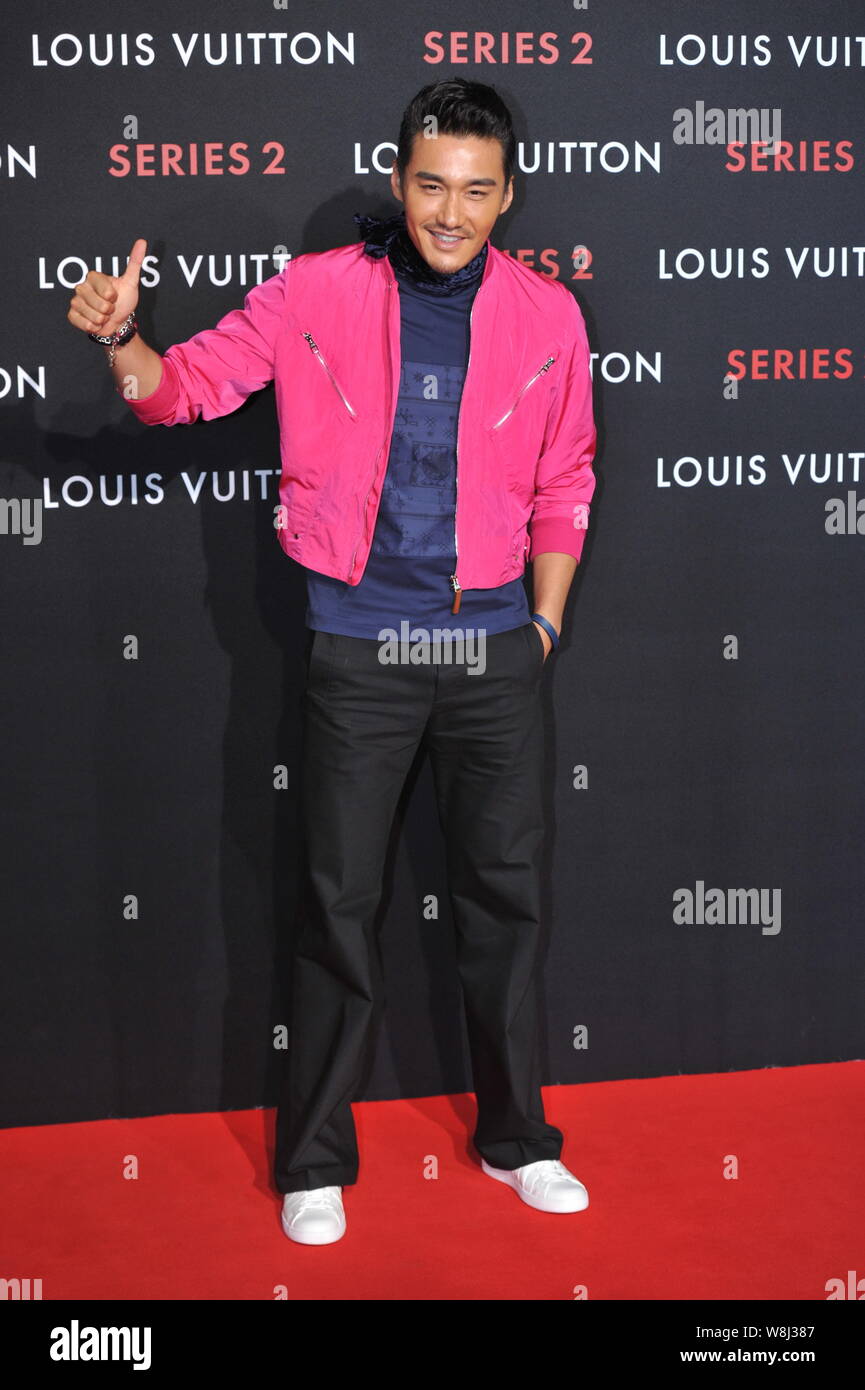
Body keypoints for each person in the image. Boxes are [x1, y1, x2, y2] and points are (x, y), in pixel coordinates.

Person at [67, 77, 597, 1246]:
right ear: (399, 180)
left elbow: (567, 481)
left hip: (493, 648)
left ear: (506, 195)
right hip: (360, 648)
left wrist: (541, 628)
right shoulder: (316, 291)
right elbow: (187, 390)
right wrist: (123, 343)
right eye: (428, 185)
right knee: (335, 907)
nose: (448, 212)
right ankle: (315, 1156)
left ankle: (518, 1140)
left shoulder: (548, 318)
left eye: (474, 190)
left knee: (504, 904)